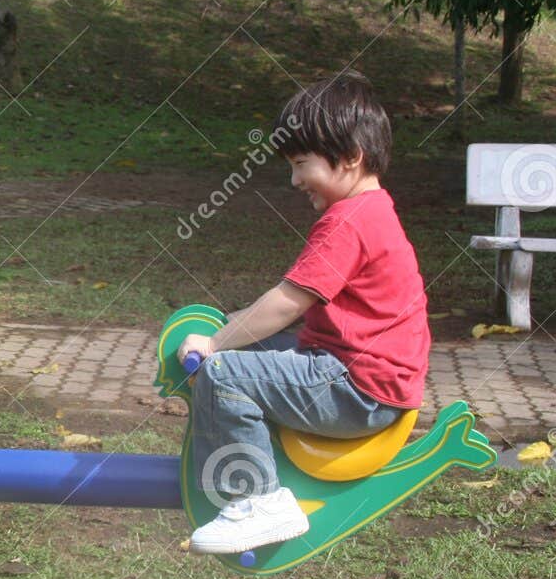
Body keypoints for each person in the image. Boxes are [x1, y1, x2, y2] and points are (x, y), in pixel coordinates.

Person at [177, 72, 429, 553]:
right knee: (246, 351)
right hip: (365, 376)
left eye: (300, 164)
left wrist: (215, 343)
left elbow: (289, 301)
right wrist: (234, 326)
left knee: (225, 372)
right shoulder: (373, 209)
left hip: (360, 390)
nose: (293, 180)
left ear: (350, 157)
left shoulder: (347, 222)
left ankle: (258, 502)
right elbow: (290, 304)